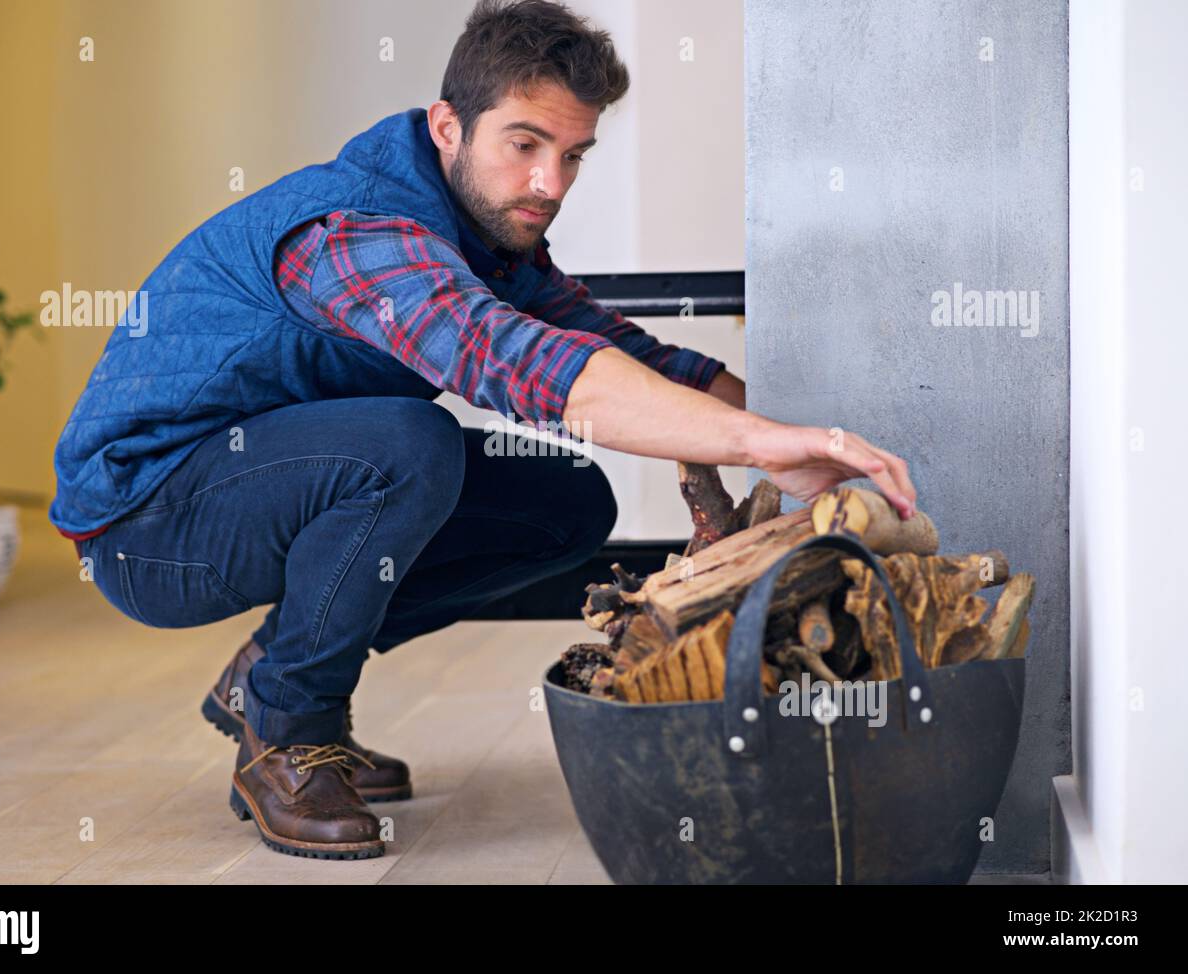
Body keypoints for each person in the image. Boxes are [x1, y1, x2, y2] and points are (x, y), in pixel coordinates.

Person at [48, 0, 916, 861]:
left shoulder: (487, 228)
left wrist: (786, 429)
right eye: (526, 144)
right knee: (403, 448)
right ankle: (287, 733)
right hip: (145, 523)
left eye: (572, 155)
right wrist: (752, 444)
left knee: (564, 503)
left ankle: (268, 677)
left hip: (258, 484)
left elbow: (611, 347)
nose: (550, 184)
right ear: (447, 126)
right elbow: (498, 354)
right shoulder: (354, 229)